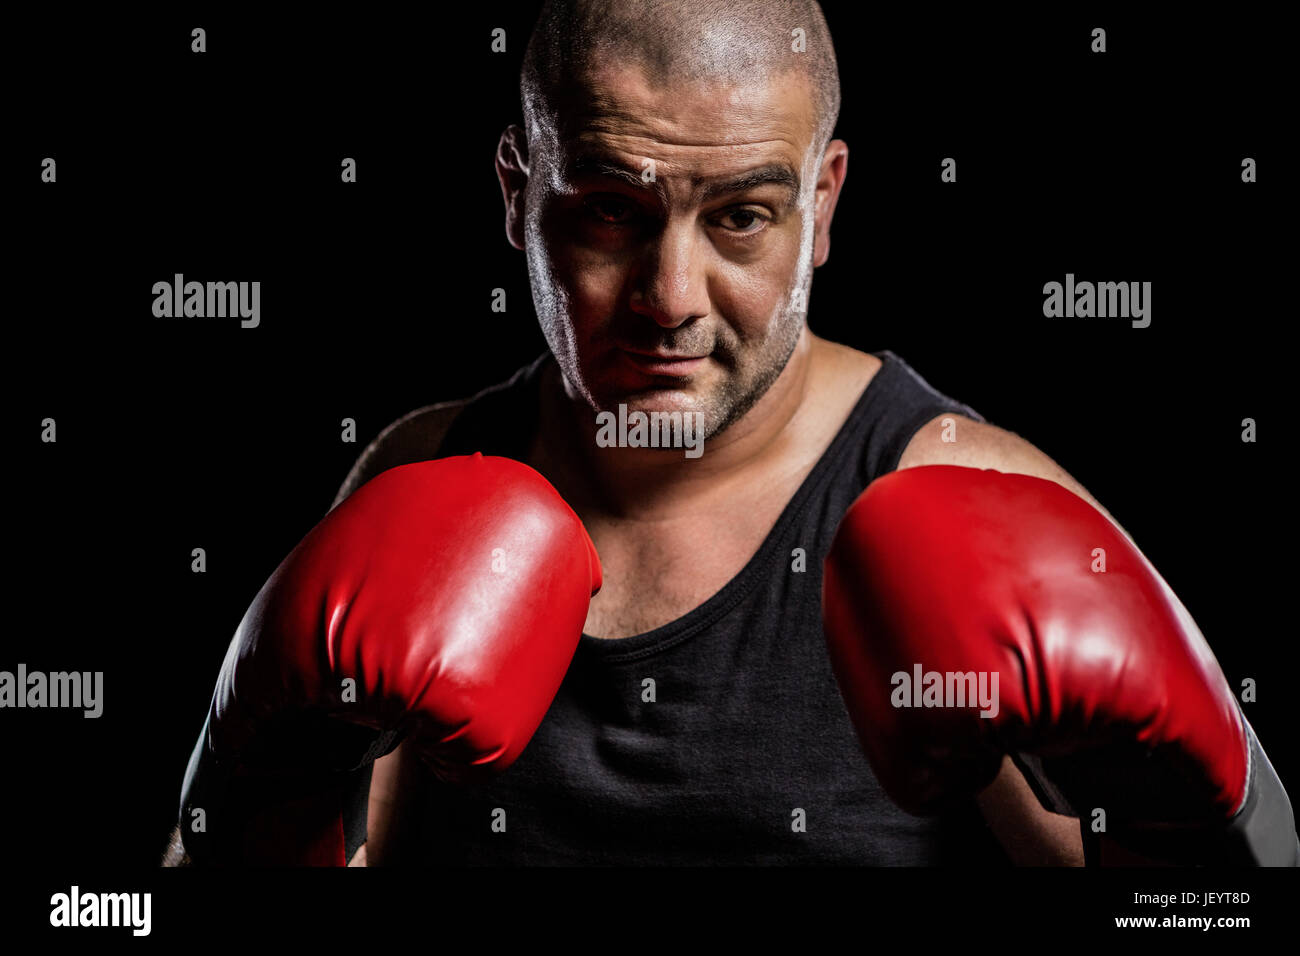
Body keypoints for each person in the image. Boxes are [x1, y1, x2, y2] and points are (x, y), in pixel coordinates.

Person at [165, 0, 1296, 867]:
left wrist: (1192, 825)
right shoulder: (426, 467)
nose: (670, 296)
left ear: (823, 210)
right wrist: (254, 799)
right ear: (517, 192)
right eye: (610, 207)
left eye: (742, 216)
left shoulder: (961, 485)